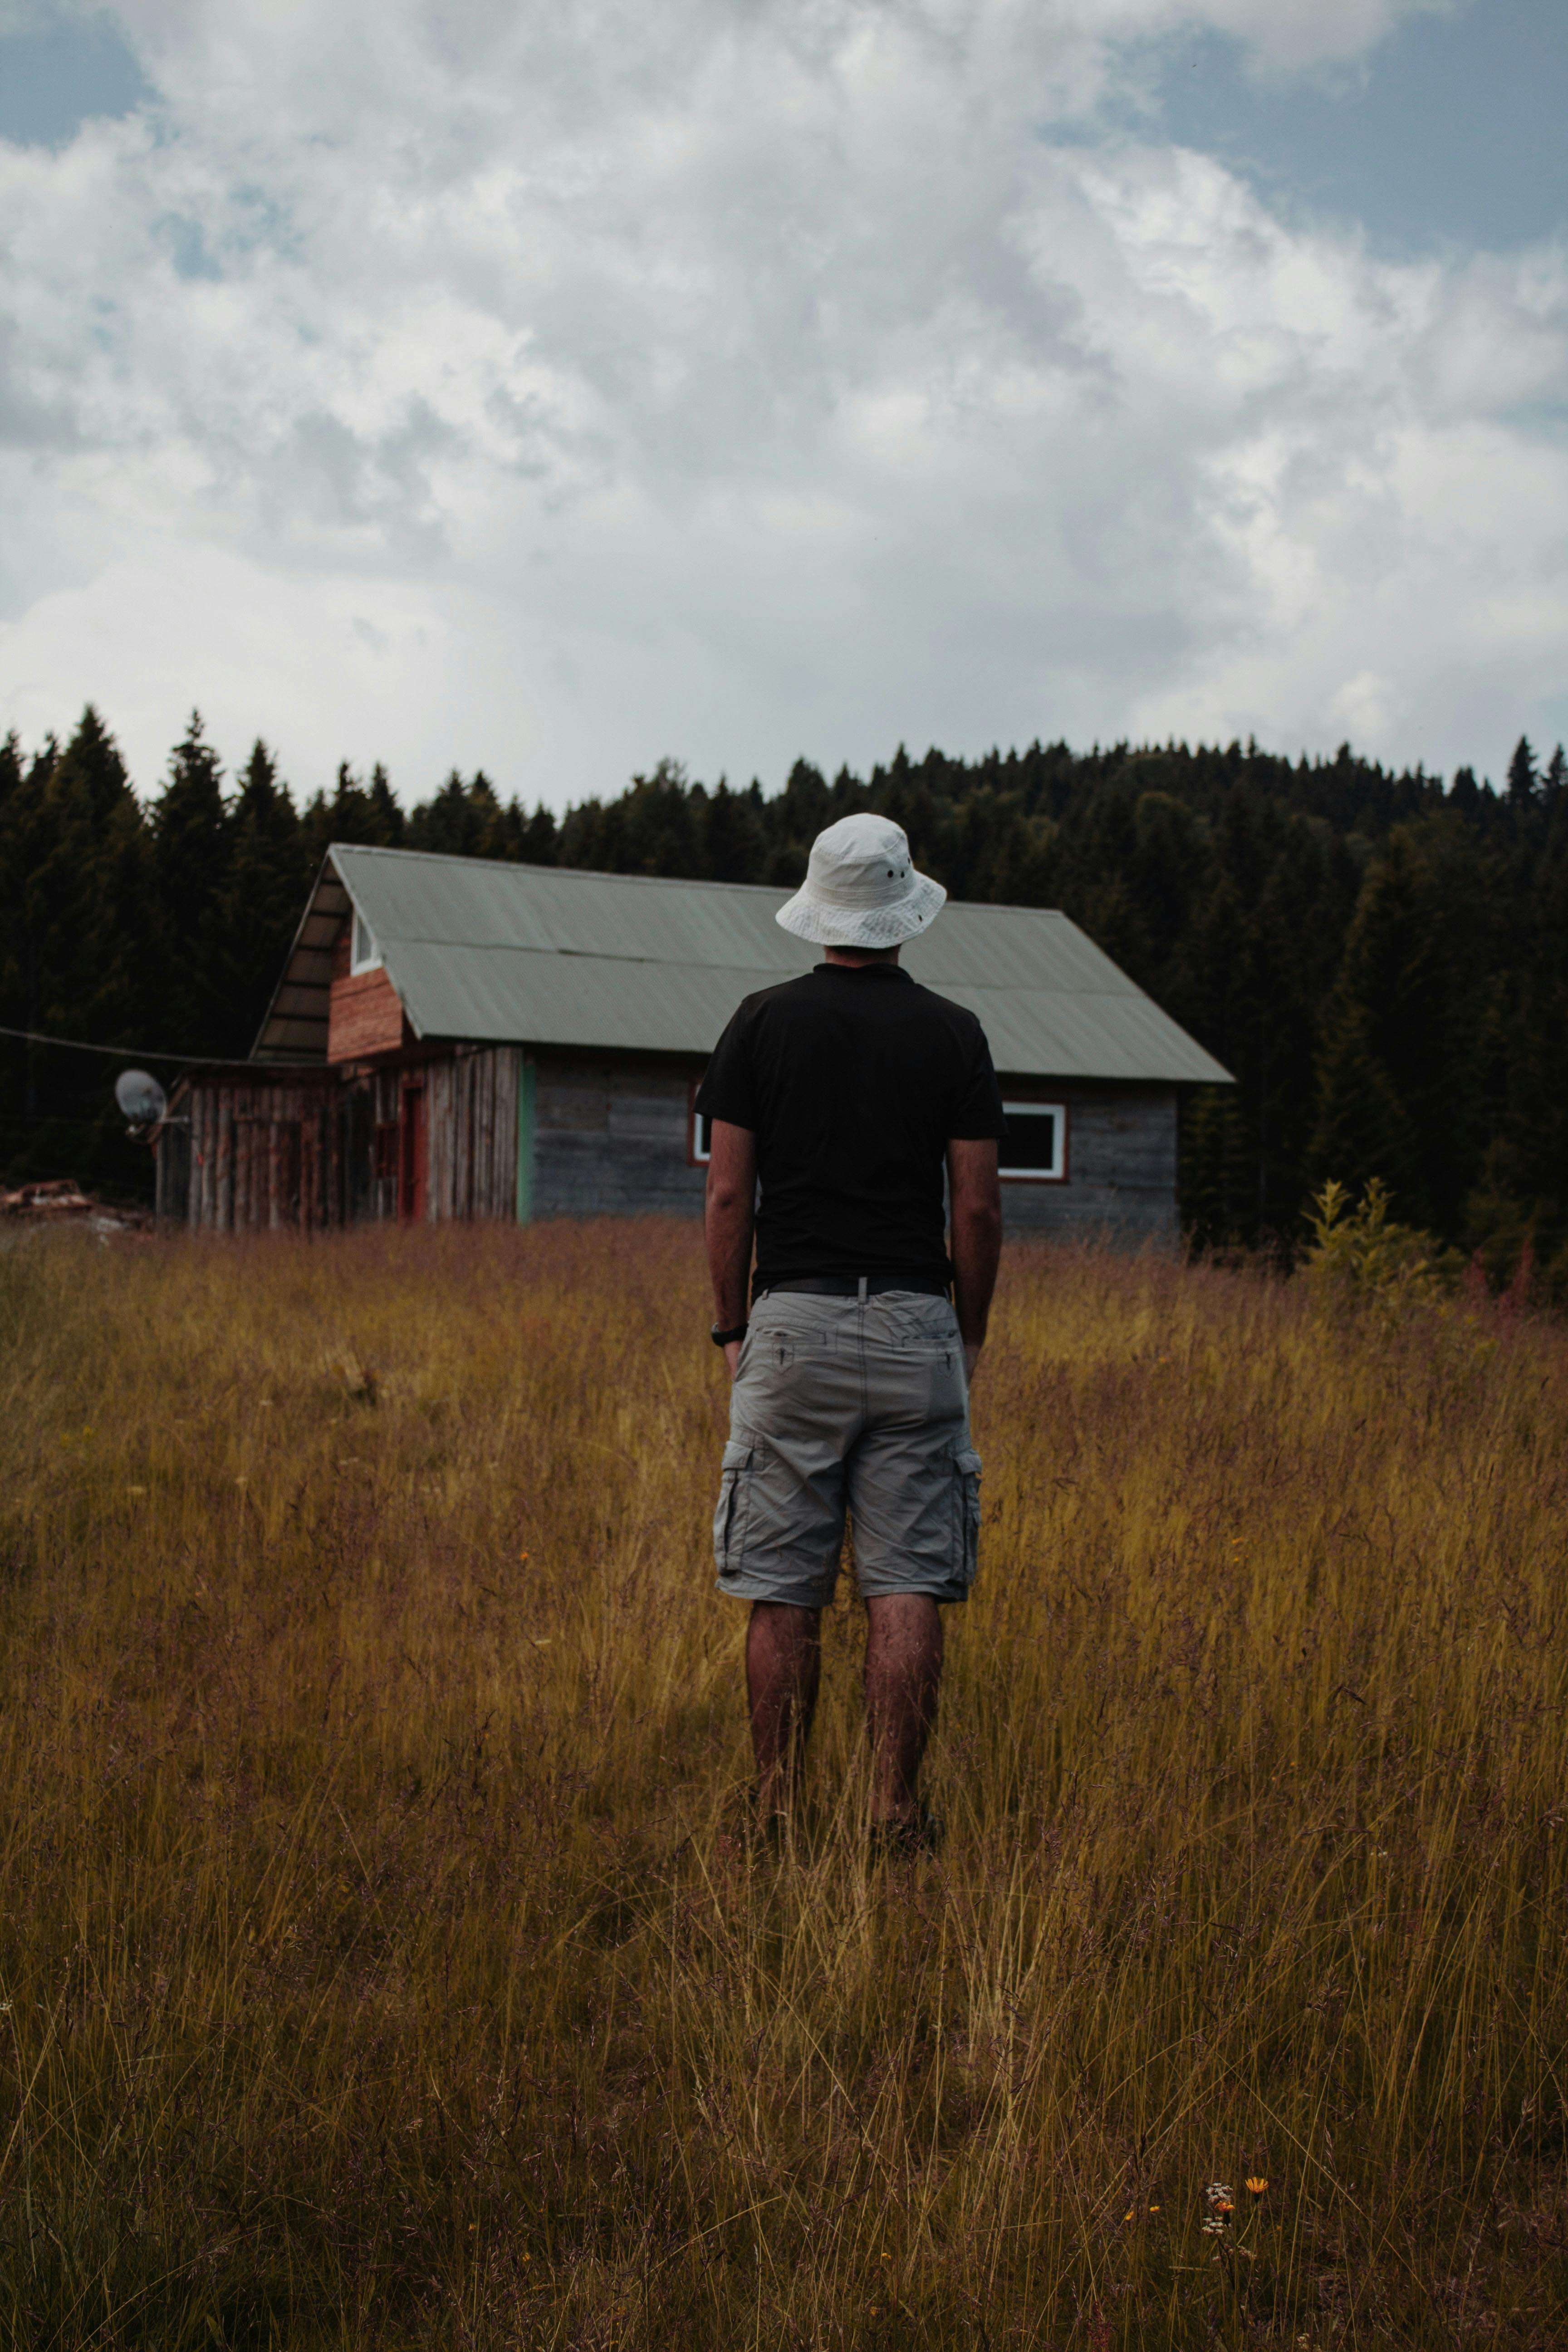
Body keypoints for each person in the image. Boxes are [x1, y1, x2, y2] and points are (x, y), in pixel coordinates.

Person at [696, 812, 1004, 1857]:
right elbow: (977, 1211)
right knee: (906, 1581)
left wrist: (732, 1327)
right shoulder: (955, 1033)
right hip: (916, 1323)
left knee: (783, 1585)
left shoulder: (758, 1024)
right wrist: (964, 1336)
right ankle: (893, 1817)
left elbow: (729, 1198)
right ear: (905, 910)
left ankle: (775, 1816)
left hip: (793, 1323)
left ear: (817, 910)